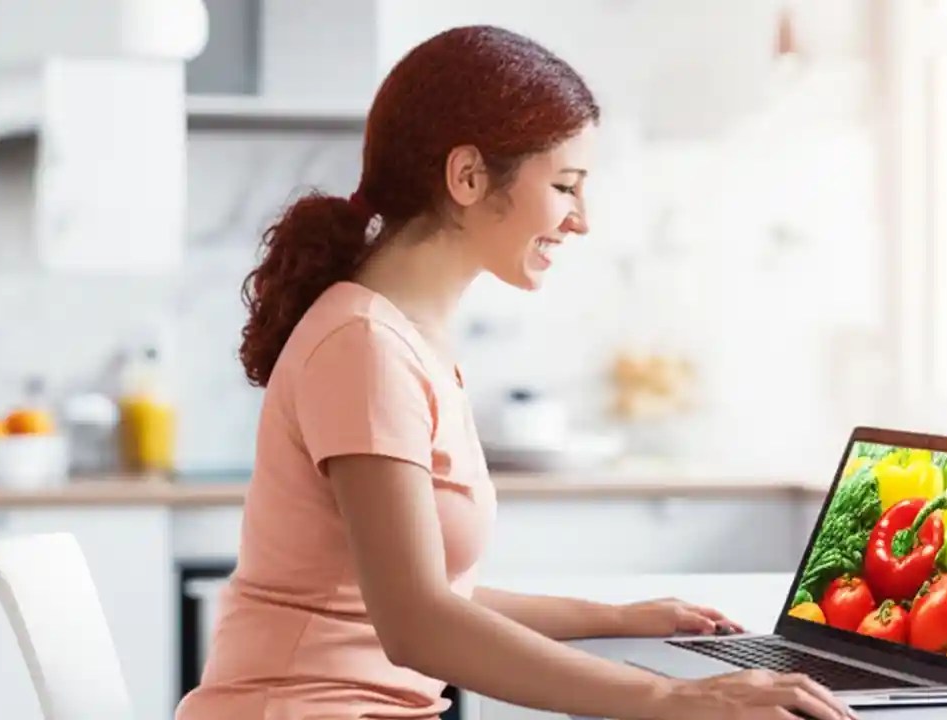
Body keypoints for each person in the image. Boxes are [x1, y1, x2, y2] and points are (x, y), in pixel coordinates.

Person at [174, 25, 856, 720]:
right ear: (468, 177)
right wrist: (671, 698)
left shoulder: (401, 337)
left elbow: (416, 595)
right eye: (565, 186)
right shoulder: (363, 345)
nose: (581, 220)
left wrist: (614, 618)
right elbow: (416, 623)